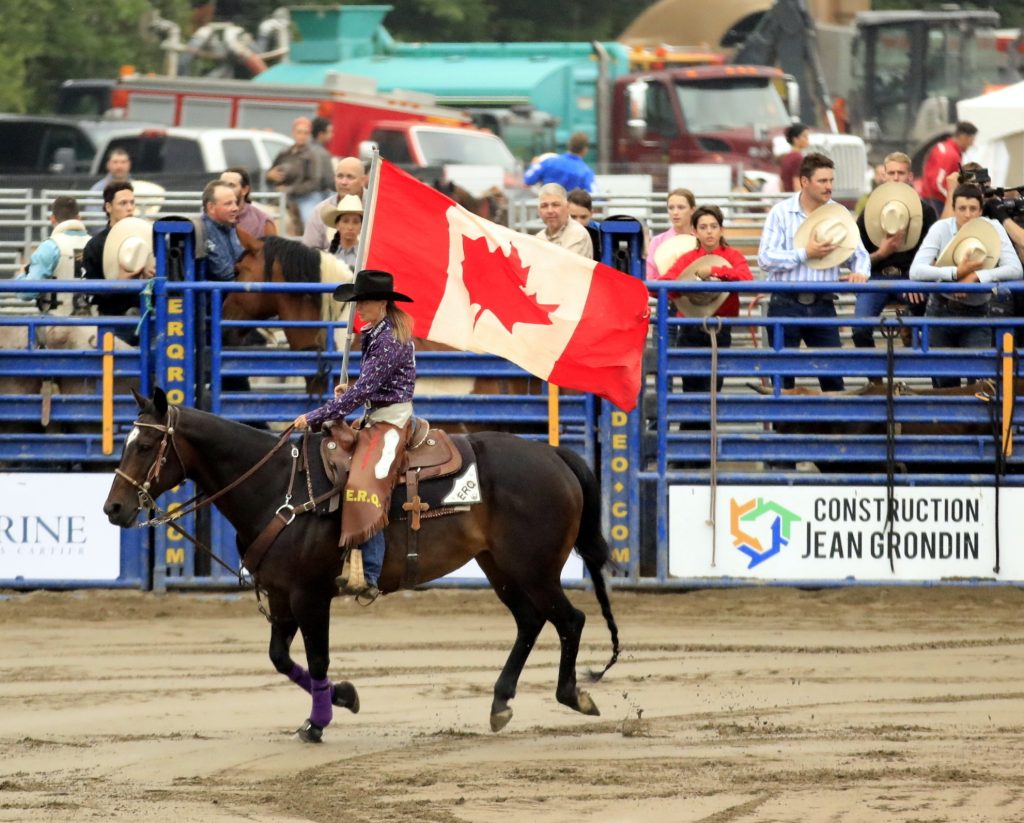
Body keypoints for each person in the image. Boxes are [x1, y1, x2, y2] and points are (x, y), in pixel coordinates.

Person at [292, 269, 416, 600]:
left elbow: (365, 390)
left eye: (364, 302)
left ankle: (370, 573)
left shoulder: (388, 339)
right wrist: (353, 391)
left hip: (390, 420)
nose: (358, 308)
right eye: (357, 302)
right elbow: (370, 386)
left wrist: (316, 415)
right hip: (377, 414)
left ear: (382, 303)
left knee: (364, 484)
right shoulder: (377, 332)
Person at [758, 152, 870, 391]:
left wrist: (860, 272)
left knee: (832, 377)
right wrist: (805, 253)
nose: (829, 186)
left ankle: (831, 417)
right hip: (786, 303)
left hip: (822, 303)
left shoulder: (838, 212)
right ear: (804, 182)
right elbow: (765, 258)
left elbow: (859, 254)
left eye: (831, 180)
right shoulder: (780, 213)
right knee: (783, 378)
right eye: (822, 181)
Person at [909, 183, 1022, 388]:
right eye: (962, 208)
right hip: (941, 311)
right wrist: (955, 274)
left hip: (977, 313)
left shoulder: (994, 228)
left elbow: (1015, 268)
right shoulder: (941, 228)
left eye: (973, 209)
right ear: (953, 209)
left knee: (979, 381)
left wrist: (975, 277)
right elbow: (916, 270)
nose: (967, 215)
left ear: (981, 211)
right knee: (944, 383)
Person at [656, 205, 753, 392]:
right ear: (694, 231)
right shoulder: (687, 259)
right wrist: (685, 288)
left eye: (713, 226)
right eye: (703, 227)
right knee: (691, 386)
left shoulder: (733, 256)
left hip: (720, 326)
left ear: (721, 230)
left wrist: (713, 271)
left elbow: (746, 279)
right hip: (691, 328)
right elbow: (663, 285)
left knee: (713, 386)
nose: (709, 232)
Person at [852, 152, 937, 350]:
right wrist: (881, 253)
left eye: (900, 173)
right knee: (859, 329)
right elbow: (857, 258)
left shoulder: (925, 211)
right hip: (877, 277)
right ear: (884, 176)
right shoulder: (869, 211)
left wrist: (918, 279)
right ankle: (873, 370)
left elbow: (934, 255)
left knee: (924, 316)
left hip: (910, 277)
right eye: (891, 173)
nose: (896, 178)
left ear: (910, 176)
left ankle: (917, 358)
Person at [82, 182, 147, 341]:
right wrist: (117, 284)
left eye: (132, 202)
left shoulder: (148, 237)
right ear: (108, 207)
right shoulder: (95, 245)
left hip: (147, 319)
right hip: (114, 322)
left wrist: (153, 277)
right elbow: (89, 295)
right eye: (123, 203)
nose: (130, 208)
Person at [17, 196, 90, 314]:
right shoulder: (95, 244)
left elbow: (26, 293)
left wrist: (21, 275)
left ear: (52, 219)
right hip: (92, 322)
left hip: (56, 322)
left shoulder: (50, 246)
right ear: (78, 218)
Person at [266, 117, 322, 232]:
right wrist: (269, 175)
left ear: (309, 135)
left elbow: (314, 182)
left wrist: (290, 189)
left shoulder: (313, 155)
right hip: (282, 197)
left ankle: (309, 241)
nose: (302, 136)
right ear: (293, 133)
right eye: (299, 132)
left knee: (309, 220)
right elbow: (270, 173)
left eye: (305, 133)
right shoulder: (284, 153)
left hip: (305, 198)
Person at [303, 156, 368, 250]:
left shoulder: (377, 207)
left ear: (363, 180)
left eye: (350, 177)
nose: (343, 182)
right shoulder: (320, 211)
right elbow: (308, 251)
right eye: (340, 176)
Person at [920, 121, 978, 217]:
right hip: (936, 202)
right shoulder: (950, 155)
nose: (971, 144)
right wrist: (954, 199)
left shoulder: (946, 148)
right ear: (964, 137)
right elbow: (938, 184)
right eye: (971, 140)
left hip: (934, 199)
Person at [646, 188, 696, 279]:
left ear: (692, 210)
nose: (675, 212)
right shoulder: (657, 241)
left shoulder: (701, 239)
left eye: (681, 207)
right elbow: (649, 276)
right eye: (671, 208)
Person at [524, 131, 595, 193]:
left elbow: (528, 179)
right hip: (570, 204)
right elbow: (595, 195)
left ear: (569, 145)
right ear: (585, 150)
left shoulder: (549, 162)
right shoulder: (586, 172)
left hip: (548, 202)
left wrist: (534, 164)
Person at [535, 183, 593, 258]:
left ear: (567, 207)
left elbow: (565, 264)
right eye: (544, 206)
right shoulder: (538, 237)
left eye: (555, 205)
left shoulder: (578, 234)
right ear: (538, 211)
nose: (550, 211)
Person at [200, 180, 242, 282]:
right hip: (216, 291)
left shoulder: (231, 228)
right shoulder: (203, 230)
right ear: (211, 207)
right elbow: (224, 273)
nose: (235, 208)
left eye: (235, 203)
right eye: (228, 204)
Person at [220, 167, 277, 239]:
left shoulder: (263, 222)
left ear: (245, 190)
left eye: (231, 185)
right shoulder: (209, 218)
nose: (225, 190)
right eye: (222, 185)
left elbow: (272, 246)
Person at [320, 194, 363, 271]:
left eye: (356, 222)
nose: (350, 227)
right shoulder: (326, 256)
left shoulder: (366, 257)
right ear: (337, 225)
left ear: (361, 226)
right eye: (345, 221)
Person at [310, 116, 336, 200]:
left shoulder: (305, 148)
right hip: (317, 195)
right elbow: (329, 180)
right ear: (321, 134)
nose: (332, 135)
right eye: (330, 132)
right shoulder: (323, 154)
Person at [779, 123, 810, 193]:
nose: (807, 139)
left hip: (787, 196)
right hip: (796, 197)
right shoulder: (798, 158)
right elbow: (797, 183)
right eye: (804, 136)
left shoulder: (786, 157)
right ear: (795, 139)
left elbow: (782, 183)